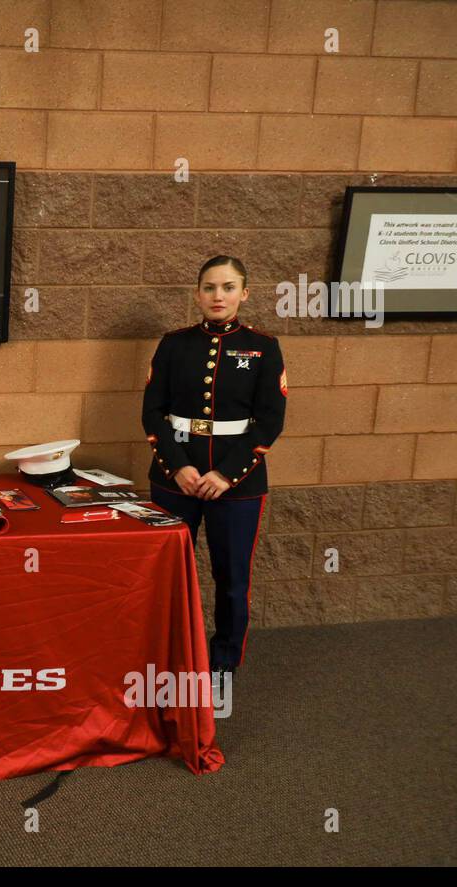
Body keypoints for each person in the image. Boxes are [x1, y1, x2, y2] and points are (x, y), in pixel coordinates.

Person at [140, 255, 287, 682]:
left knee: (232, 577)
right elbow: (153, 414)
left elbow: (270, 420)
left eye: (227, 287)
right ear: (197, 293)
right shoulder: (174, 344)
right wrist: (178, 469)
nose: (217, 296)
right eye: (209, 287)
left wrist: (224, 474)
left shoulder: (264, 347)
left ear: (244, 292)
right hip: (175, 477)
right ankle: (166, 653)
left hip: (236, 483)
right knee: (166, 574)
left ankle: (224, 660)